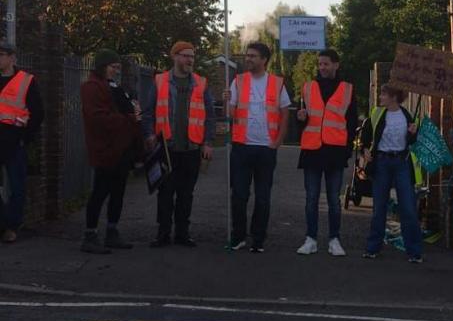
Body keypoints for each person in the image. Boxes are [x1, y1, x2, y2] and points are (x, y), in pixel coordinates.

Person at [142, 41, 215, 248]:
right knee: (165, 193)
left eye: (192, 56)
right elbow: (148, 112)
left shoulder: (201, 83)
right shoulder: (160, 81)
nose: (190, 60)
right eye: (185, 55)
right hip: (166, 148)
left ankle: (182, 233)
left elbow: (210, 115)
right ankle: (163, 233)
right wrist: (148, 135)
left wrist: (208, 142)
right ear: (174, 57)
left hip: (191, 148)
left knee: (186, 194)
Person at [225, 42, 291, 253]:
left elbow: (284, 113)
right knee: (239, 195)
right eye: (248, 55)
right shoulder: (239, 81)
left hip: (266, 148)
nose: (248, 59)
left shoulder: (277, 83)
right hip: (242, 147)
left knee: (263, 198)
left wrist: (279, 140)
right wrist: (227, 101)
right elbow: (231, 115)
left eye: (253, 56)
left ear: (264, 59)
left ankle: (258, 239)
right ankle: (238, 236)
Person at [296, 49, 358, 256]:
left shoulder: (348, 89)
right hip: (312, 150)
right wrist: (301, 118)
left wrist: (348, 150)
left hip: (335, 152)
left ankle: (334, 240)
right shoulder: (307, 87)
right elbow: (301, 123)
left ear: (336, 65)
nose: (322, 67)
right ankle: (310, 238)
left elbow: (351, 123)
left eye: (326, 64)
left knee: (334, 199)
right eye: (320, 64)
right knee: (311, 198)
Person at [79, 49, 142, 253]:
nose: (116, 71)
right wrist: (129, 119)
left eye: (118, 68)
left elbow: (125, 108)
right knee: (100, 192)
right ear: (102, 66)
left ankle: (112, 232)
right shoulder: (91, 87)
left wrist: (133, 113)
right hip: (105, 148)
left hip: (121, 148)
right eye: (113, 67)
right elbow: (98, 118)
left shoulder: (113, 86)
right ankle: (90, 235)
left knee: (118, 192)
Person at [359, 85, 423, 263]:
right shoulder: (377, 114)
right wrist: (365, 150)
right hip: (381, 162)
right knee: (379, 207)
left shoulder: (406, 115)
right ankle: (373, 248)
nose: (380, 97)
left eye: (383, 94)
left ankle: (414, 251)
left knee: (408, 207)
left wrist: (413, 133)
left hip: (401, 162)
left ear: (394, 97)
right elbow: (365, 136)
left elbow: (412, 141)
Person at [0, 41, 44, 243]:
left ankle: (11, 226)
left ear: (12, 57)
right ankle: (4, 222)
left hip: (14, 142)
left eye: (1, 54)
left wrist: (24, 136)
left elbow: (37, 113)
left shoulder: (25, 81)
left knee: (18, 188)